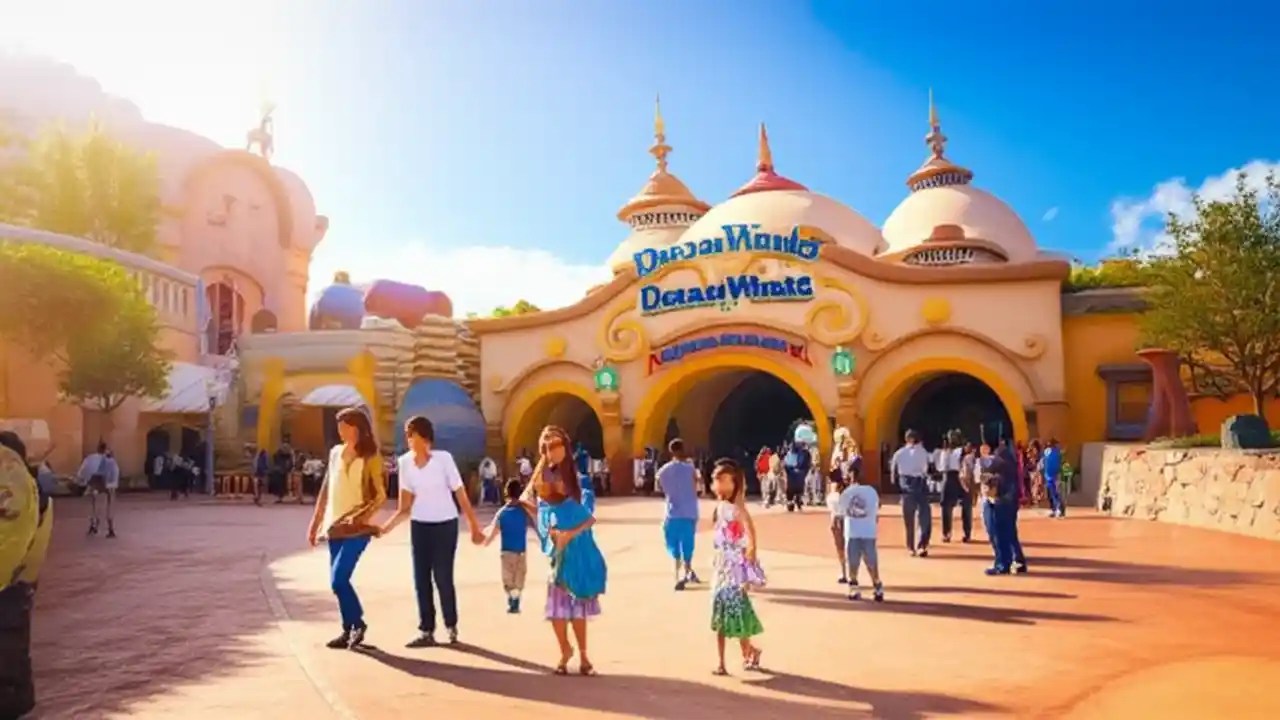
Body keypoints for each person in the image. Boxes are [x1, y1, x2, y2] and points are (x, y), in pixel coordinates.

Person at [380, 415, 485, 647]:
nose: (408, 439)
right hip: (420, 525)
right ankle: (426, 630)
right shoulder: (405, 462)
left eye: (412, 434)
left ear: (424, 437)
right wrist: (384, 528)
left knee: (442, 576)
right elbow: (404, 507)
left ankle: (451, 626)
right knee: (421, 578)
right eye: (407, 435)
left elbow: (460, 493)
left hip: (445, 524)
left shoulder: (443, 460)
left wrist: (474, 527)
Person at [519, 425, 607, 676]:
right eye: (547, 447)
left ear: (565, 447)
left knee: (577, 606)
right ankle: (565, 650)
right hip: (557, 550)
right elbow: (539, 509)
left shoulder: (577, 481)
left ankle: (584, 656)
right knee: (556, 608)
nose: (552, 451)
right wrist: (543, 521)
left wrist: (569, 533)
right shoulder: (543, 479)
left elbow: (588, 518)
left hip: (577, 549)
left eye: (556, 445)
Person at [306, 407, 388, 650]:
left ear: (357, 428)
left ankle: (357, 624)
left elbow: (381, 494)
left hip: (359, 528)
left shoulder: (371, 456)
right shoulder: (334, 453)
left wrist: (362, 516)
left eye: (344, 426)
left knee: (339, 579)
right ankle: (348, 629)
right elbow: (325, 489)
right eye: (339, 426)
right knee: (337, 582)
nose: (340, 431)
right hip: (334, 526)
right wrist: (316, 522)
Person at [0, 431, 52, 719]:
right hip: (22, 588)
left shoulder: (18, 494)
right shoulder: (38, 492)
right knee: (14, 659)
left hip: (7, 587)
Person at [708, 458, 765, 676]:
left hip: (735, 568)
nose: (719, 485)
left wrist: (751, 553)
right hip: (721, 567)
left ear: (734, 483)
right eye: (716, 480)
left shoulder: (738, 509)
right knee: (720, 612)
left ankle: (749, 650)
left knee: (737, 612)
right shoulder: (719, 508)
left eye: (723, 480)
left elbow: (751, 533)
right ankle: (722, 662)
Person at [836, 459, 884, 601]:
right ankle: (875, 586)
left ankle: (856, 587)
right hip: (866, 532)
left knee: (854, 561)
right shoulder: (870, 491)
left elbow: (840, 514)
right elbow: (876, 510)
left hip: (854, 532)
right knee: (869, 561)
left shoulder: (848, 492)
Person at [658, 438, 701, 591]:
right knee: (687, 546)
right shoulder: (690, 469)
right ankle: (687, 570)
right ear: (683, 450)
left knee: (674, 547)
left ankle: (677, 574)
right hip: (689, 511)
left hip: (672, 512)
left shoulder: (663, 470)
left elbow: (660, 488)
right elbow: (698, 485)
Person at [483, 479, 532, 613]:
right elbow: (536, 525)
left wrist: (486, 541)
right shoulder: (525, 511)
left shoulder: (502, 513)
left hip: (507, 552)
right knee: (519, 578)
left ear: (506, 493)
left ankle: (513, 599)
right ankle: (515, 600)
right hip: (521, 551)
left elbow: (494, 530)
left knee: (508, 578)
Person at [891, 429, 931, 557]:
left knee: (909, 518)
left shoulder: (899, 453)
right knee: (924, 516)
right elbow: (925, 468)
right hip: (919, 483)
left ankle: (911, 547)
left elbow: (893, 472)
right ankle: (922, 545)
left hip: (906, 484)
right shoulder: (922, 451)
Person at [75, 443, 120, 538]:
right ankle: (110, 528)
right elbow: (115, 472)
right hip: (108, 483)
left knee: (95, 504)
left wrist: (82, 481)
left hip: (96, 482)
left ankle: (94, 525)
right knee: (109, 505)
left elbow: (83, 471)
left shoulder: (91, 458)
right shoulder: (111, 460)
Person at [940, 432, 971, 543]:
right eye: (950, 438)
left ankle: (967, 533)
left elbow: (967, 452)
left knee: (966, 505)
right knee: (945, 506)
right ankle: (946, 533)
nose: (952, 440)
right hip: (947, 476)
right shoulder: (944, 452)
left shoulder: (961, 451)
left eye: (954, 438)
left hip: (960, 476)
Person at [826, 474, 848, 584]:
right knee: (844, 548)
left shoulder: (832, 497)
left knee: (842, 548)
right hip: (843, 520)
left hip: (841, 520)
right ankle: (845, 572)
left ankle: (845, 572)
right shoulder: (834, 497)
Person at [782, 440, 811, 512]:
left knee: (796, 490)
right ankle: (792, 504)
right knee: (792, 491)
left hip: (796, 475)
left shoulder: (803, 454)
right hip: (793, 474)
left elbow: (805, 464)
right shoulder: (790, 454)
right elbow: (785, 464)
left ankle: (795, 502)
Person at [1042, 439, 1066, 518]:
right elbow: (1044, 462)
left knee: (1056, 493)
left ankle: (1059, 509)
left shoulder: (1057, 452)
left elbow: (1060, 462)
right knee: (1051, 494)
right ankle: (1054, 510)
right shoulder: (1048, 452)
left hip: (1055, 475)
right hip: (1049, 475)